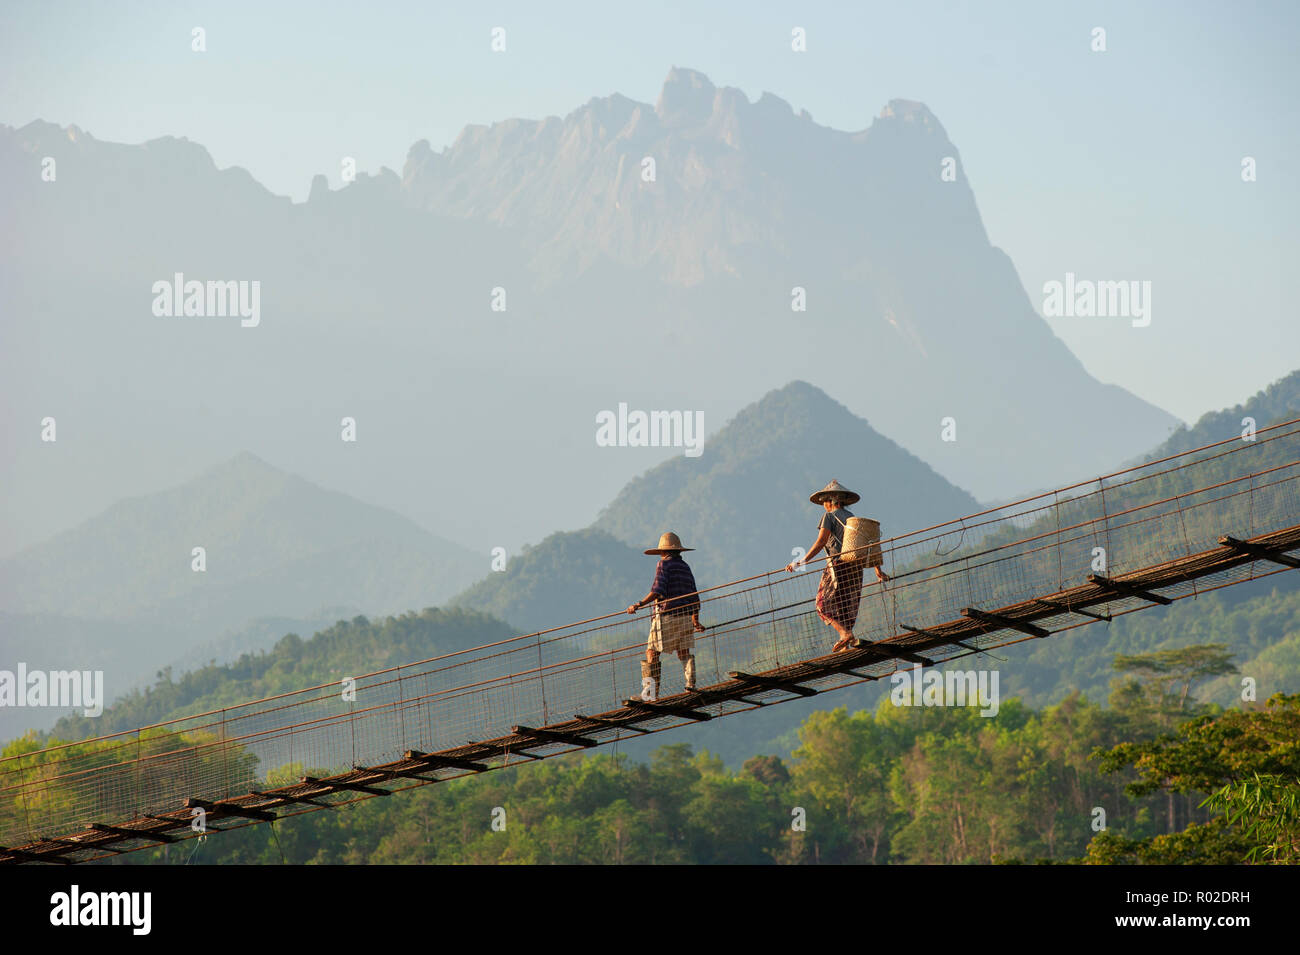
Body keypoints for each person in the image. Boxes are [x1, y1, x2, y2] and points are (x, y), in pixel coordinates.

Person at [786, 480, 889, 652]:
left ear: (831, 501)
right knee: (844, 602)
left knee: (822, 604)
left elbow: (821, 542)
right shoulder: (853, 519)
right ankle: (846, 643)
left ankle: (844, 635)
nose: (824, 505)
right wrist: (878, 570)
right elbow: (870, 544)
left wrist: (800, 562)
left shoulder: (829, 517)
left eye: (825, 501)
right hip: (855, 567)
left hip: (838, 564)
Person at [628, 532, 705, 697]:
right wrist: (695, 621)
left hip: (667, 616)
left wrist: (639, 604)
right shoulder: (685, 567)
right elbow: (694, 597)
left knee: (652, 652)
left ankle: (649, 694)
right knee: (684, 652)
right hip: (685, 616)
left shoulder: (663, 565)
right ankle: (690, 685)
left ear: (663, 551)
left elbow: (658, 590)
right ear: (679, 551)